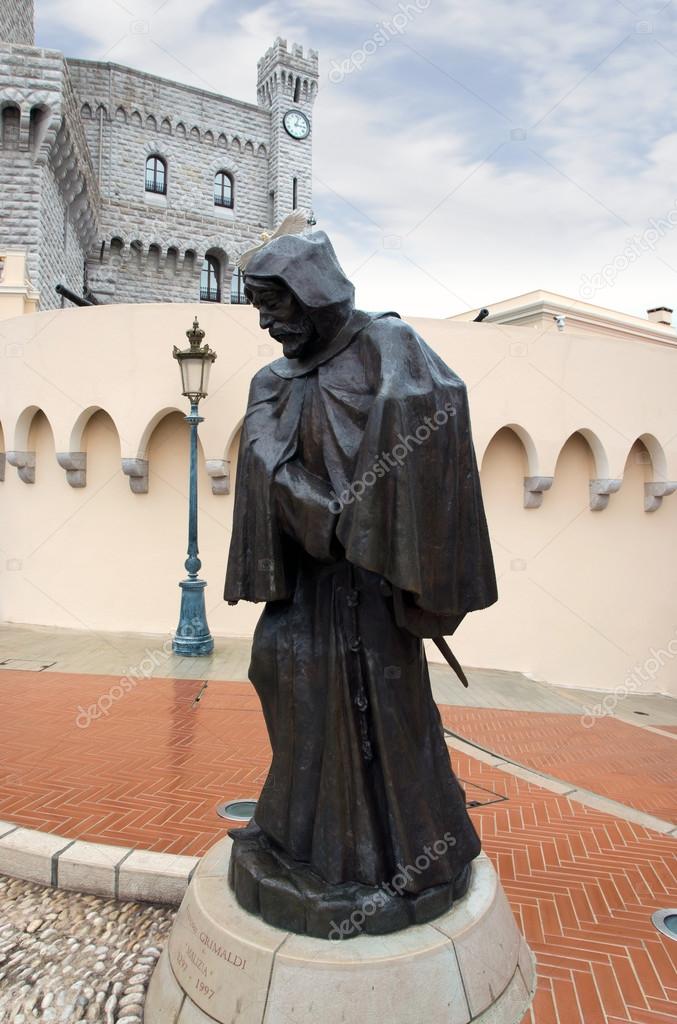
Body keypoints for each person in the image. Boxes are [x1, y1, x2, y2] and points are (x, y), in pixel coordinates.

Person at [224, 228, 497, 938]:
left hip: (373, 591)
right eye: (256, 306)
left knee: (379, 716)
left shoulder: (387, 347)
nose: (264, 321)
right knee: (281, 675)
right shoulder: (270, 380)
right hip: (308, 585)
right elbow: (260, 459)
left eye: (273, 302)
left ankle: (387, 865)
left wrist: (382, 532)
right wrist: (321, 511)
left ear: (313, 291)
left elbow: (433, 417)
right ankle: (292, 840)